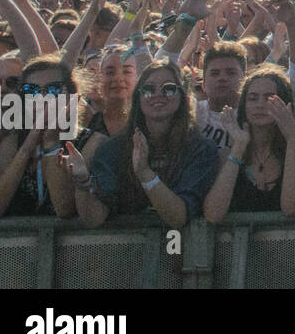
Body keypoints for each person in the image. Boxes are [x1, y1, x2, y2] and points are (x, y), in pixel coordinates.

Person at [65, 61, 220, 227]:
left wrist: (145, 174)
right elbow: (94, 219)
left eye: (168, 88)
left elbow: (178, 217)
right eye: (148, 89)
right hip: (126, 248)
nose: (158, 94)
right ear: (137, 98)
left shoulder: (201, 149)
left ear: (183, 96)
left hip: (184, 247)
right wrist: (82, 182)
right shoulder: (114, 148)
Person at [0, 55, 105, 219]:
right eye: (31, 90)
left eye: (53, 89)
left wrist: (51, 142)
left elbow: (64, 209)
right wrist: (27, 148)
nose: (41, 97)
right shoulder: (12, 143)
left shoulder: (93, 142)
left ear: (72, 96)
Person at [203, 65, 295, 221]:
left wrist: (292, 139)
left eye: (270, 97)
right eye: (252, 98)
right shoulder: (226, 155)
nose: (260, 104)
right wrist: (238, 148)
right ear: (244, 105)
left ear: (286, 104)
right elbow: (212, 215)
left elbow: (290, 208)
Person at [196, 41, 246, 152]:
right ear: (203, 84)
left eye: (231, 73)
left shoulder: (253, 115)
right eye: (215, 73)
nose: (222, 78)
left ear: (245, 81)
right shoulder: (192, 114)